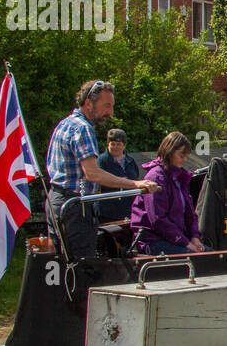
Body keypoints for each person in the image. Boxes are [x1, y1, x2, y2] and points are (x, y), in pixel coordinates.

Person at [45, 80, 158, 260]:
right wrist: (134, 183)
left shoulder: (64, 124)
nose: (110, 112)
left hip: (55, 202)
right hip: (75, 207)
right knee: (82, 267)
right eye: (106, 106)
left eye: (112, 107)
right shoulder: (83, 129)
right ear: (88, 103)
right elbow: (93, 173)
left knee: (61, 265)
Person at [130, 132, 205, 256]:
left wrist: (194, 237)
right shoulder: (156, 178)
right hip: (153, 240)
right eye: (181, 155)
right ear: (169, 152)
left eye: (186, 156)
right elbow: (158, 220)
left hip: (176, 238)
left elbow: (190, 213)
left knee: (210, 255)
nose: (185, 160)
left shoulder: (179, 177)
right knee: (201, 259)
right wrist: (185, 243)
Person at [95, 128, 139, 222]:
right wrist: (120, 181)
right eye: (113, 144)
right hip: (107, 211)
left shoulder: (130, 161)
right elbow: (99, 181)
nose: (115, 147)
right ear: (108, 144)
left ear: (124, 145)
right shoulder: (102, 161)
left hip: (128, 210)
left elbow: (136, 179)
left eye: (118, 144)